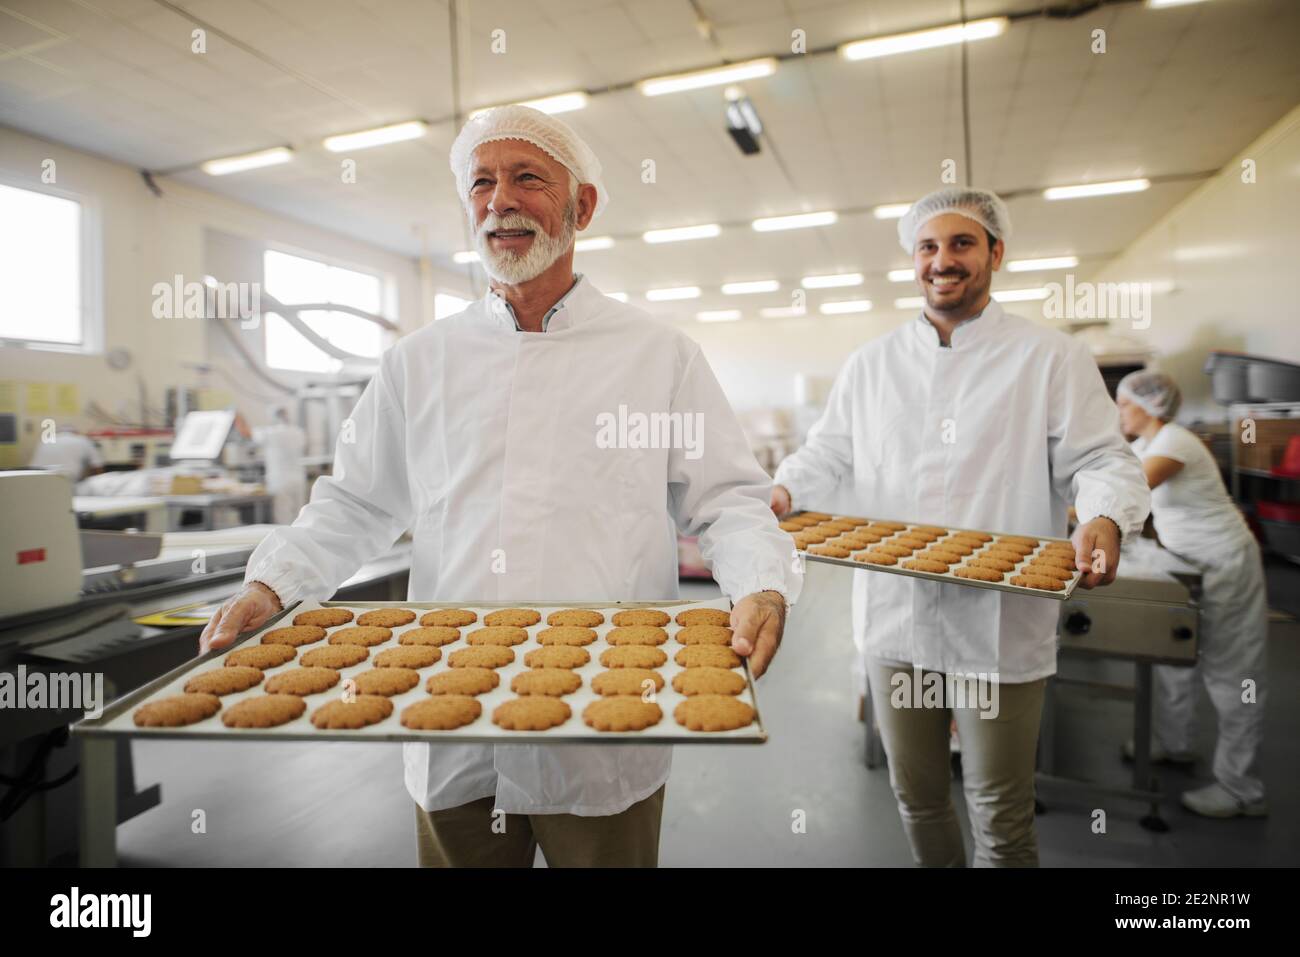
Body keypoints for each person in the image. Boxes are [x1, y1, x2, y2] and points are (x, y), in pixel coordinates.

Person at [200, 105, 800, 867]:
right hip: (456, 719)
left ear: (581, 205)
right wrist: (271, 584)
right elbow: (354, 503)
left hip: (602, 721)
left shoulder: (657, 356)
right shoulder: (421, 362)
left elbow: (727, 502)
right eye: (481, 183)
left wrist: (762, 583)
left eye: (526, 179)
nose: (499, 201)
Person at [771, 187, 1150, 867]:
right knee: (916, 797)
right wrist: (785, 488)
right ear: (913, 260)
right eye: (928, 246)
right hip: (896, 620)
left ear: (996, 253)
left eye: (962, 243)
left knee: (1001, 811)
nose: (942, 260)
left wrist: (1103, 514)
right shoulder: (872, 364)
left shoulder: (1048, 359)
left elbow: (1101, 457)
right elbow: (827, 453)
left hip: (998, 625)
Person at [1116, 370, 1268, 818]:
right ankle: (1175, 742)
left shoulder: (1175, 443)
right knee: (1172, 651)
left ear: (1149, 406)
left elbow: (1132, 491)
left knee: (1231, 671)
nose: (1118, 411)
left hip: (1225, 563)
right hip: (1184, 561)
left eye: (1123, 404)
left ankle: (1241, 789)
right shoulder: (1145, 444)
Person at [253, 405, 308, 524]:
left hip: (280, 480)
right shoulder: (298, 431)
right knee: (300, 516)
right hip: (298, 478)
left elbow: (250, 435)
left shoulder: (269, 433)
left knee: (283, 517)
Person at [28, 424, 103, 482]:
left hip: (36, 479)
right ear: (75, 433)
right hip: (66, 481)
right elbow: (97, 467)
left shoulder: (45, 441)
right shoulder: (83, 440)